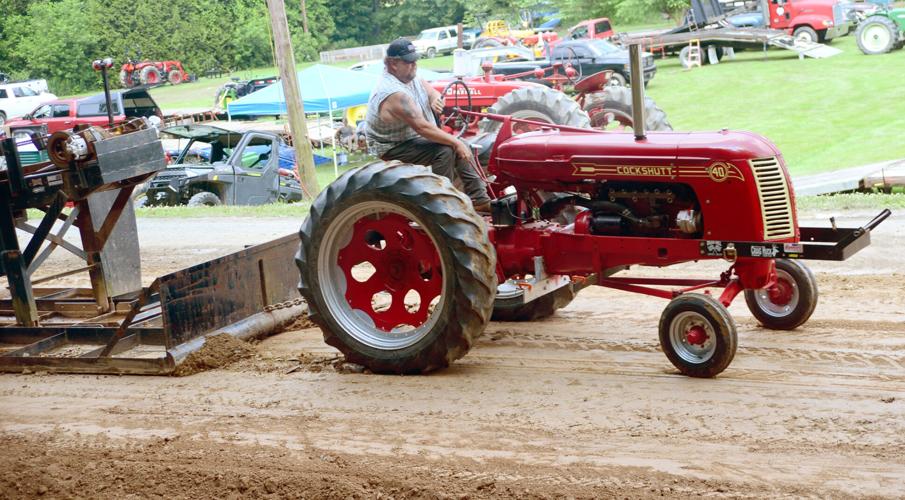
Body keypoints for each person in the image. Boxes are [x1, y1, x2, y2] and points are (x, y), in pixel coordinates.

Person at [366, 38, 491, 213]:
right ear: (393, 64)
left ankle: (479, 199)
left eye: (415, 60)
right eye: (409, 62)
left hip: (412, 137)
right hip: (392, 146)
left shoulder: (409, 76)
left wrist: (434, 99)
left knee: (461, 144)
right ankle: (443, 205)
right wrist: (455, 142)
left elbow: (431, 91)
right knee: (445, 150)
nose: (414, 65)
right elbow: (422, 128)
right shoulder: (393, 93)